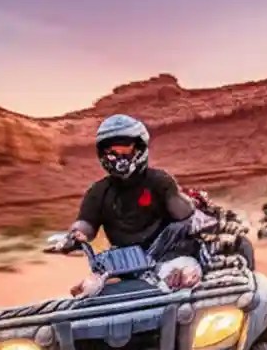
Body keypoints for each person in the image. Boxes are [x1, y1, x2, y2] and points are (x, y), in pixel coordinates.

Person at [65, 115, 201, 294]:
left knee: (187, 277)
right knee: (89, 291)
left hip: (169, 257)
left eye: (125, 149)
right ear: (102, 154)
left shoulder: (159, 181)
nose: (118, 157)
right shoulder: (98, 191)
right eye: (112, 152)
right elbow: (86, 223)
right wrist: (76, 234)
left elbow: (184, 213)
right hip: (124, 265)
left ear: (140, 148)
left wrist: (189, 204)